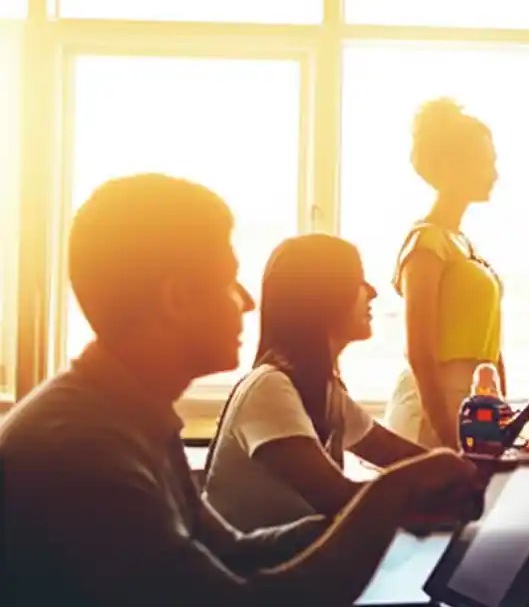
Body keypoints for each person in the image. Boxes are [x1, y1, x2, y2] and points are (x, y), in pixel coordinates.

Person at [0, 173, 482, 606]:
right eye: (230, 281)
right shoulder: (85, 450)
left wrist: (392, 509)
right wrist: (389, 498)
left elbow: (232, 550)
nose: (249, 302)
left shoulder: (128, 415)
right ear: (177, 299)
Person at [204, 234, 438, 532]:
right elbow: (338, 499)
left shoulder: (326, 393)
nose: (372, 292)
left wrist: (462, 471)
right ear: (324, 296)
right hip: (253, 562)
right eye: (358, 280)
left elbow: (397, 456)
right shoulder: (269, 387)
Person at [386, 98, 502, 450]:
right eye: (485, 163)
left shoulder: (463, 244)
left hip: (471, 400)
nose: (494, 174)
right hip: (432, 406)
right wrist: (447, 435)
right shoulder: (426, 243)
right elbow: (420, 353)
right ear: (453, 166)